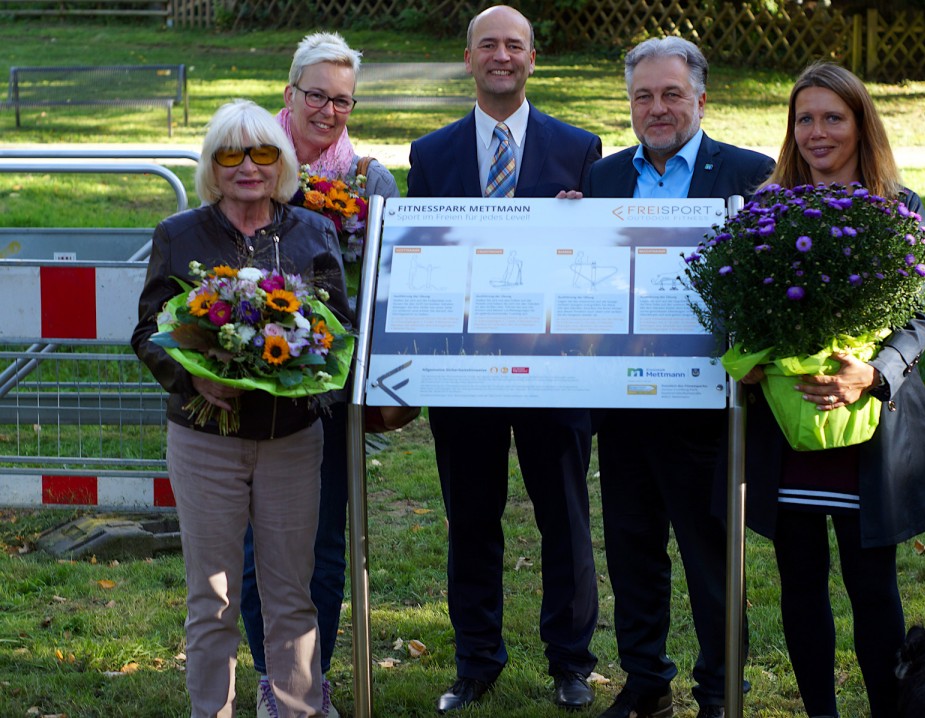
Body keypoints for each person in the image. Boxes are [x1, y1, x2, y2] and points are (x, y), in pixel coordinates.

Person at [407, 5, 602, 713]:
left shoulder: (581, 148)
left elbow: (594, 264)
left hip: (554, 370)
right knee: (472, 519)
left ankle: (571, 661)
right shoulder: (430, 155)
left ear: (532, 58)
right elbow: (422, 259)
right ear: (469, 58)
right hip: (463, 372)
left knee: (566, 517)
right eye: (488, 44)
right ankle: (476, 660)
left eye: (513, 45)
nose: (501, 55)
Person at [741, 61, 925, 718]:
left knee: (872, 589)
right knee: (800, 586)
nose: (817, 131)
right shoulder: (767, 206)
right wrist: (745, 359)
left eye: (833, 116)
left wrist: (873, 374)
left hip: (870, 430)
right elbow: (739, 309)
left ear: (861, 123)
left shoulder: (899, 206)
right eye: (805, 118)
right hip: (789, 425)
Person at [131, 99, 351, 718]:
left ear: (280, 162)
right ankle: (212, 710)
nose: (247, 167)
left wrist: (305, 373)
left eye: (261, 153)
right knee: (213, 595)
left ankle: (296, 706)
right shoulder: (179, 235)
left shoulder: (312, 232)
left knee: (289, 591)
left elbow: (337, 333)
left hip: (291, 439)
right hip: (206, 440)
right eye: (231, 154)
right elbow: (148, 333)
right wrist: (192, 378)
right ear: (212, 165)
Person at [582, 37, 774, 718]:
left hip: (707, 406)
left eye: (670, 94)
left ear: (700, 97)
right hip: (622, 403)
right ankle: (645, 684)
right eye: (643, 96)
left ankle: (722, 690)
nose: (656, 108)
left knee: (711, 558)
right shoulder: (602, 179)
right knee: (633, 552)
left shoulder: (752, 176)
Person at [238, 32, 402, 718]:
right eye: (316, 95)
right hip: (253, 391)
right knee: (257, 545)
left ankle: (313, 678)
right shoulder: (249, 164)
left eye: (342, 99)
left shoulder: (370, 178)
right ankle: (274, 678)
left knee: (323, 541)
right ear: (289, 94)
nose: (329, 110)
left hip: (330, 394)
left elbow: (393, 283)